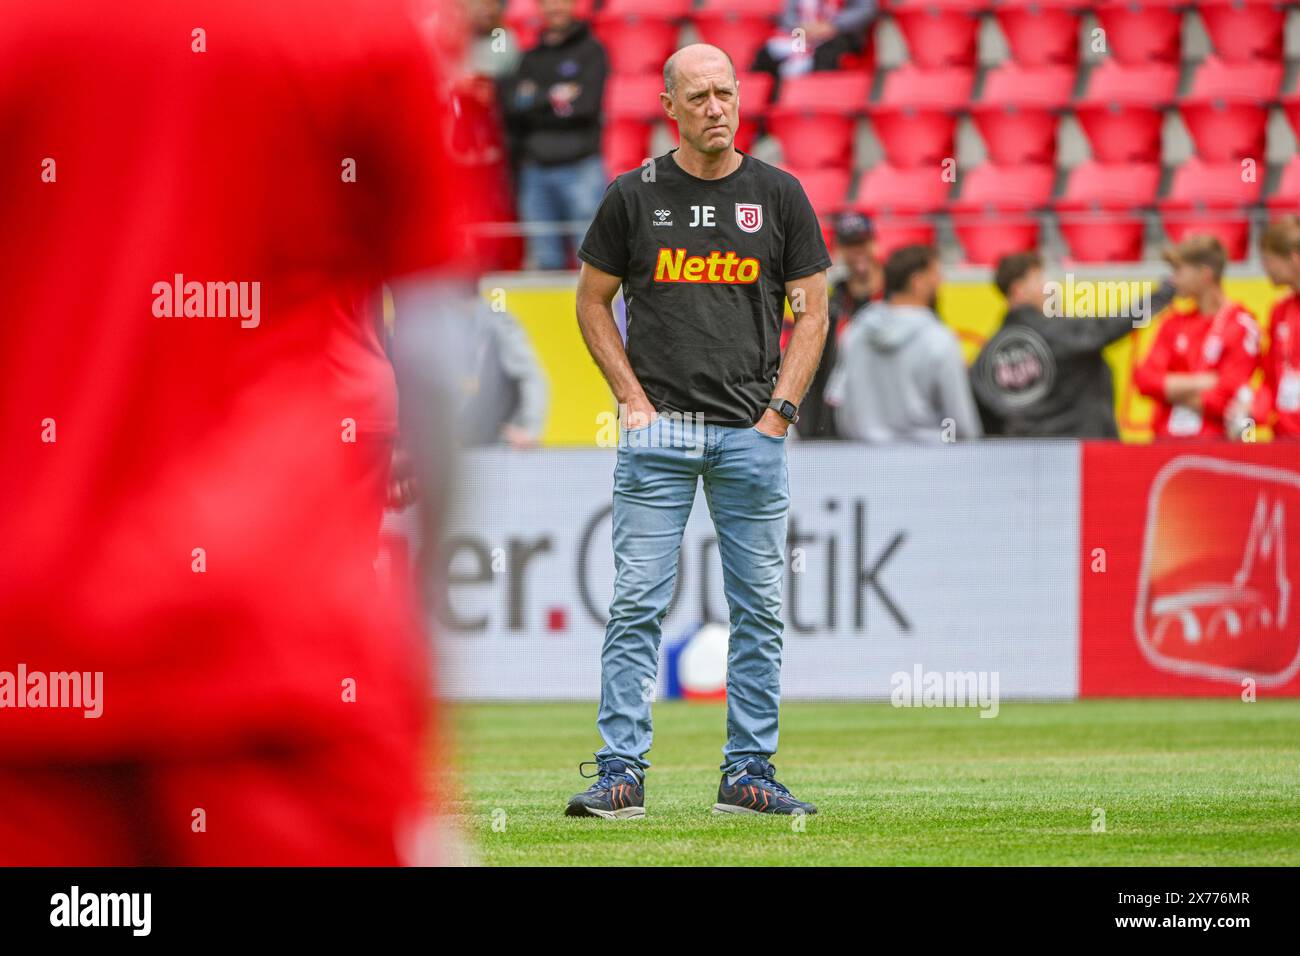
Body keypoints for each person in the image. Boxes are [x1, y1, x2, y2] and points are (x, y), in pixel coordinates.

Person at [0, 0, 459, 865]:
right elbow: (437, 354)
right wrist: (423, 629)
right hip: (282, 655)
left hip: (30, 654)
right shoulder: (359, 26)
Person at [569, 44, 830, 818]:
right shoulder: (632, 196)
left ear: (740, 97)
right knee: (636, 605)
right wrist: (631, 398)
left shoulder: (779, 194)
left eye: (725, 93)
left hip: (753, 434)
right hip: (660, 435)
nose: (716, 108)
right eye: (700, 96)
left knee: (760, 610)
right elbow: (589, 302)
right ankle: (621, 773)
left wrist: (780, 411)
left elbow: (813, 311)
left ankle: (747, 774)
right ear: (670, 107)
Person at [971, 252, 1175, 438]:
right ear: (1019, 290)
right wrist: (1164, 294)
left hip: (1026, 460)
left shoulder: (988, 355)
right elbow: (1112, 325)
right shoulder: (1058, 331)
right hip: (1082, 453)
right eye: (1039, 279)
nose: (1049, 287)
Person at [826, 244, 982, 443]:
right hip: (929, 466)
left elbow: (842, 409)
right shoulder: (940, 340)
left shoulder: (854, 333)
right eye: (936, 275)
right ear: (918, 282)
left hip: (865, 463)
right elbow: (961, 425)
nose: (941, 282)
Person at [502, 0, 608, 270]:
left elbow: (585, 107)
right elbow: (514, 107)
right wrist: (557, 98)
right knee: (545, 263)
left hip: (581, 167)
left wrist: (535, 98)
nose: (554, 8)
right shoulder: (529, 57)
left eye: (560, 2)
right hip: (536, 171)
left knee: (590, 263)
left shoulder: (592, 51)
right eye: (547, 3)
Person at [1134, 235, 1260, 440]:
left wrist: (1169, 393)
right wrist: (1203, 382)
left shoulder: (1241, 324)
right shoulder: (1173, 322)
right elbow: (1144, 380)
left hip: (1216, 449)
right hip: (1165, 447)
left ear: (1205, 274)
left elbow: (1227, 399)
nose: (1173, 280)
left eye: (1179, 271)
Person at [790, 210, 881, 439]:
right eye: (850, 245)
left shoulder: (897, 297)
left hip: (887, 416)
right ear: (839, 249)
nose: (857, 251)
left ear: (874, 243)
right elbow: (820, 370)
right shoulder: (831, 306)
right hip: (842, 420)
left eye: (862, 242)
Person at [1237, 217, 1300, 441]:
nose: (1265, 268)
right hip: (1284, 439)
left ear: (1293, 258)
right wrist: (1250, 415)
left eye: (1268, 260)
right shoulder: (1280, 311)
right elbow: (1271, 378)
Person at [752, 0, 878, 102]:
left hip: (837, 34)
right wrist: (802, 27)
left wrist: (834, 25)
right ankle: (767, 114)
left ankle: (812, 104)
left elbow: (866, 10)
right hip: (802, 33)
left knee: (825, 55)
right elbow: (788, 15)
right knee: (767, 53)